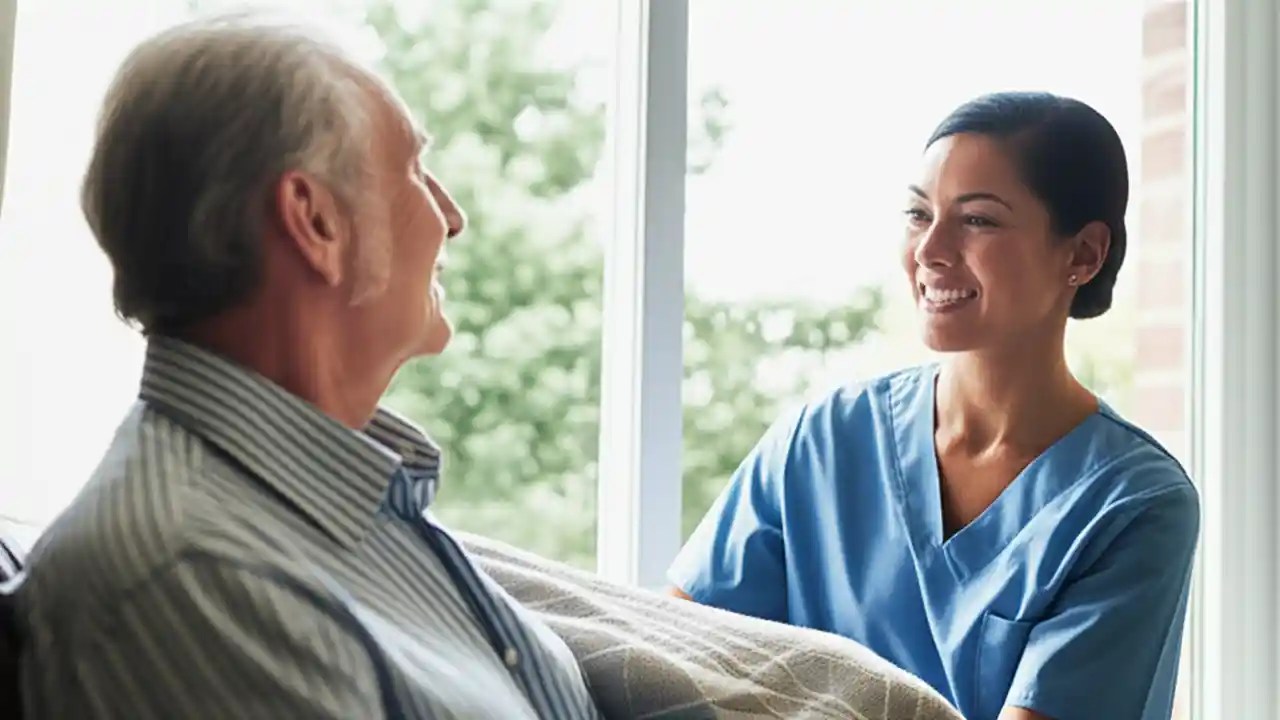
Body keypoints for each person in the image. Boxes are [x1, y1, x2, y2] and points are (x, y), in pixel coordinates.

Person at [17, 14, 601, 720]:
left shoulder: (353, 506)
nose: (451, 218)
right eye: (414, 171)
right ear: (315, 221)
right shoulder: (193, 573)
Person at [667, 91, 1200, 720]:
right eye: (919, 214)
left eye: (978, 220)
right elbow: (667, 666)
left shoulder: (1134, 504)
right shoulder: (820, 444)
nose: (929, 250)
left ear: (1083, 254)